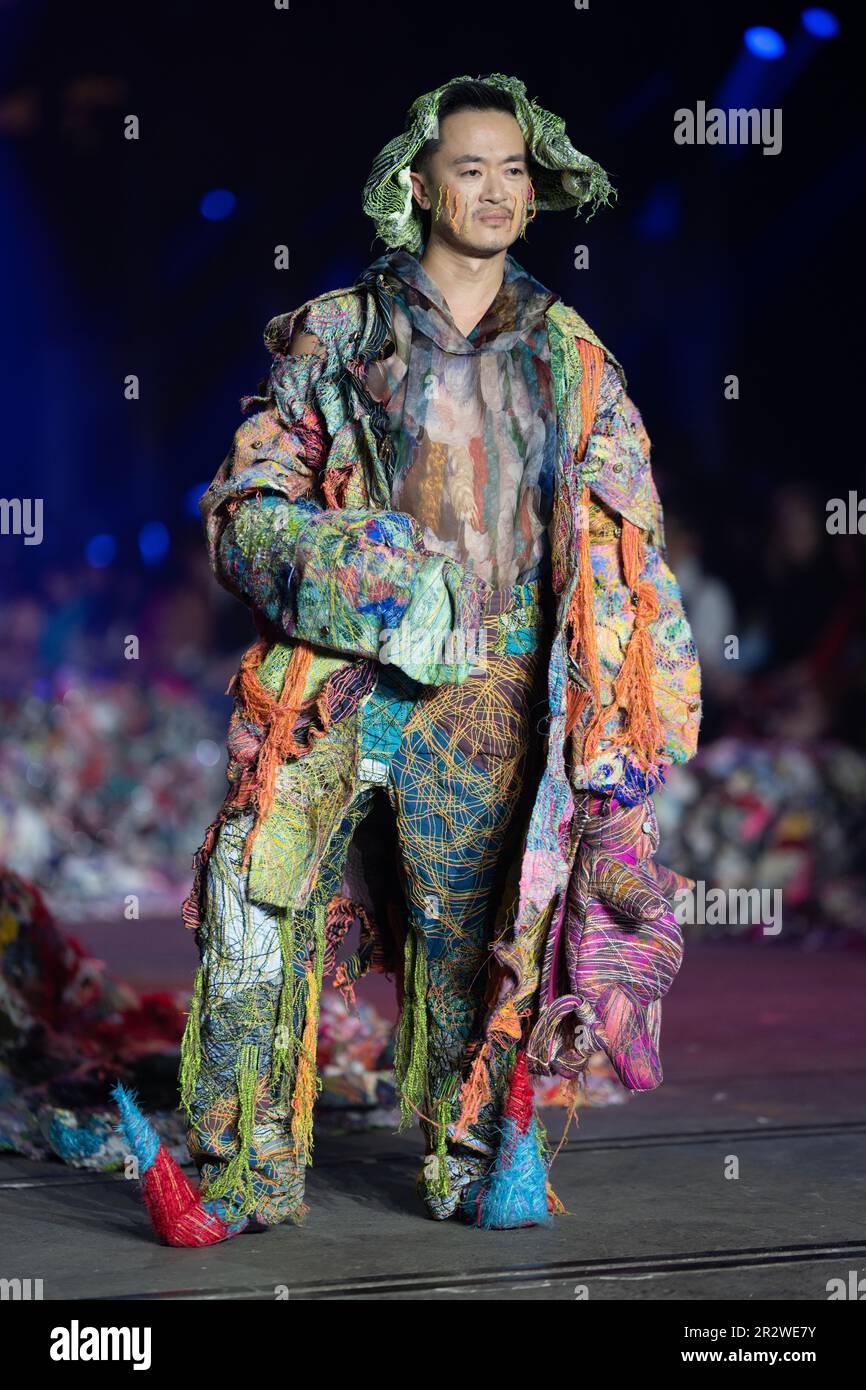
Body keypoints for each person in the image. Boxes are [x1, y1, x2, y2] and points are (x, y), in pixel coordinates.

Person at [113, 72, 702, 1245]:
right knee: (253, 899)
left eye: (514, 170)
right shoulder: (340, 334)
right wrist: (367, 570)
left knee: (467, 942)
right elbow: (246, 505)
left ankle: (471, 1148)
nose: (495, 190)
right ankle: (242, 1171)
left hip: (497, 698)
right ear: (417, 185)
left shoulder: (572, 356)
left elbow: (628, 552)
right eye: (470, 167)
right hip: (338, 684)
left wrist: (623, 714)